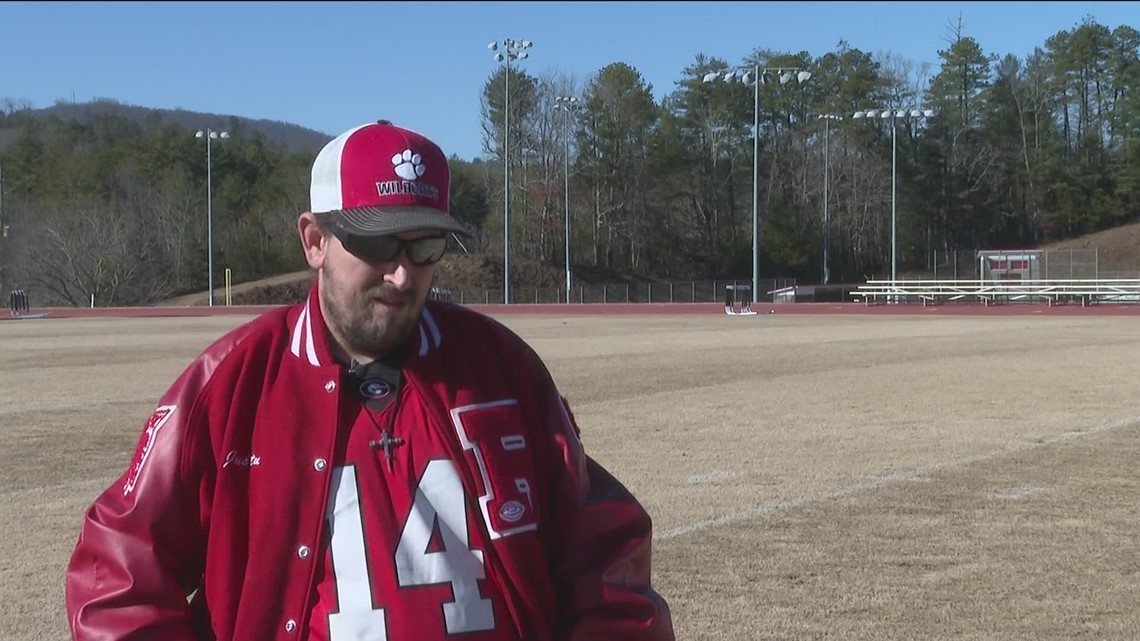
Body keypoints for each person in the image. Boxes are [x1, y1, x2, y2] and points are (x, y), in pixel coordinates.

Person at [65, 120, 675, 641]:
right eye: (378, 243)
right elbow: (116, 574)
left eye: (425, 246)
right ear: (315, 241)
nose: (403, 276)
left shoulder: (502, 371)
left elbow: (605, 559)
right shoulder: (230, 386)